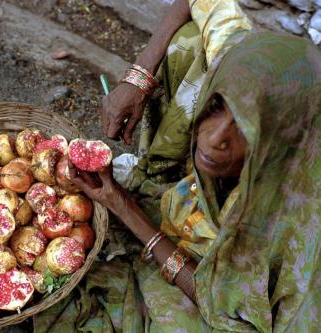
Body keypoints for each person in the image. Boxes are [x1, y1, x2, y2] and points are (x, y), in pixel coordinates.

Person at [34, 0, 320, 332]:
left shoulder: (299, 224)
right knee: (187, 38)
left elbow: (232, 317)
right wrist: (138, 78)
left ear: (285, 142)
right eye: (215, 107)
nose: (215, 139)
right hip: (191, 201)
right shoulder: (237, 65)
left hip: (227, 287)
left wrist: (129, 212)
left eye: (245, 129)